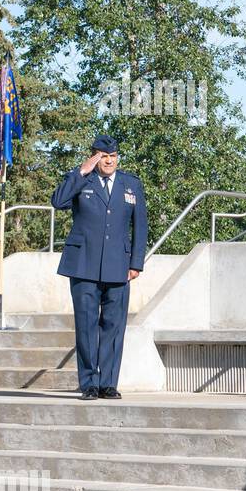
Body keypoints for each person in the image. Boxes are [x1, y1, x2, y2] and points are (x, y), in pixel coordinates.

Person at [51, 134, 148, 400]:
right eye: (103, 156)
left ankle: (108, 383)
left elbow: (140, 226)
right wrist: (80, 171)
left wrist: (136, 263)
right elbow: (58, 201)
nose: (108, 161)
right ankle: (89, 384)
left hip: (119, 266)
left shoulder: (131, 185)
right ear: (94, 157)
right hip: (83, 266)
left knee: (114, 328)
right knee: (86, 326)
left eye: (113, 156)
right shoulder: (83, 180)